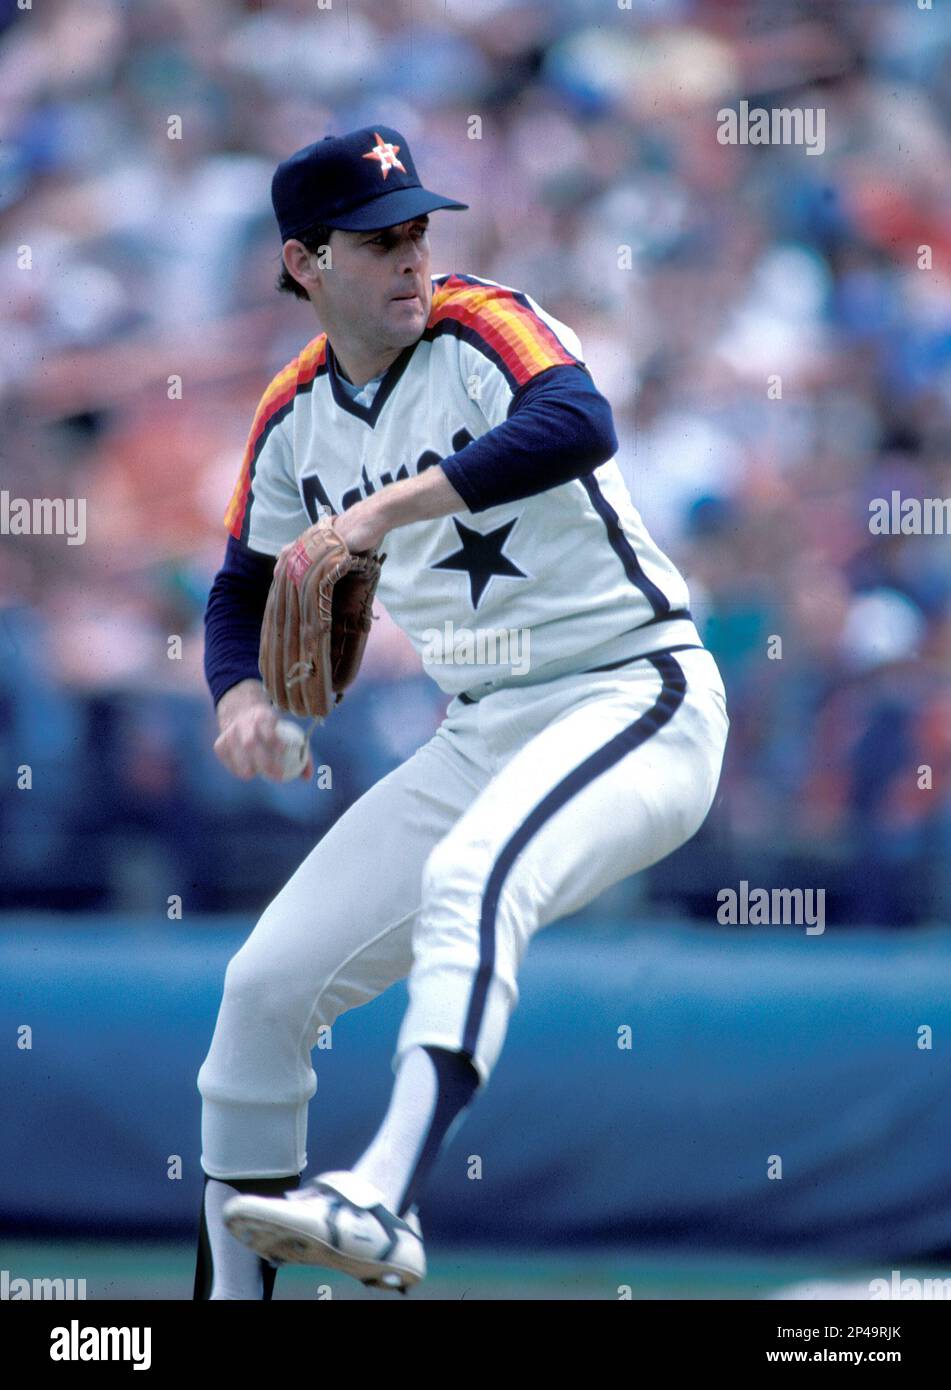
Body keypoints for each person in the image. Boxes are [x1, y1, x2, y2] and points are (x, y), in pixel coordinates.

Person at [195, 125, 729, 1298]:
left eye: (420, 232)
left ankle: (383, 1193)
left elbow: (577, 419)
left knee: (473, 879)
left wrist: (384, 512)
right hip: (482, 727)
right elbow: (240, 587)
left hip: (636, 691)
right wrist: (239, 695)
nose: (412, 259)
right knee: (262, 988)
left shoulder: (483, 325)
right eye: (379, 241)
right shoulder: (291, 415)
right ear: (304, 264)